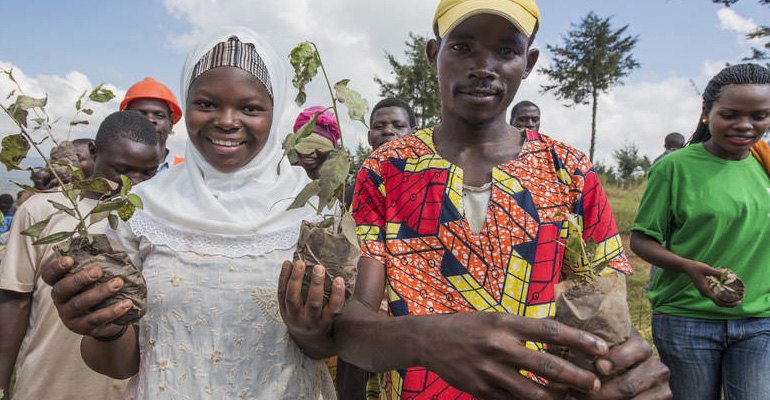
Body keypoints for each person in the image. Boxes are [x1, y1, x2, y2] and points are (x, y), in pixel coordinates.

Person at [281, 1, 671, 399]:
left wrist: (625, 370)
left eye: (506, 51)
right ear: (434, 55)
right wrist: (424, 338)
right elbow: (354, 324)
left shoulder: (567, 170)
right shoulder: (387, 170)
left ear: (529, 61)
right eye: (463, 47)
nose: (483, 66)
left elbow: (602, 312)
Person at [41, 28, 337, 399]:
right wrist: (104, 326)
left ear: (274, 114)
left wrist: (313, 331)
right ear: (187, 105)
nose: (227, 121)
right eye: (207, 104)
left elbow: (328, 344)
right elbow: (120, 364)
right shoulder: (142, 207)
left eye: (250, 108)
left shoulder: (311, 208)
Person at [631, 63, 770, 400]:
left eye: (760, 116)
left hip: (759, 319)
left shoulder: (766, 164)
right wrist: (688, 267)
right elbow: (641, 239)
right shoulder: (674, 167)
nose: (745, 126)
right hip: (686, 318)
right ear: (707, 113)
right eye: (731, 114)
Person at [0, 110, 162, 400]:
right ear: (93, 152)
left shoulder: (159, 223)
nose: (134, 185)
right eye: (123, 170)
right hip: (47, 385)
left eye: (148, 173)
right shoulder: (42, 210)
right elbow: (15, 301)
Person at [120, 76, 183, 171]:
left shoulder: (187, 172)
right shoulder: (108, 170)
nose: (149, 120)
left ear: (170, 125)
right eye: (140, 115)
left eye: (159, 115)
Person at [293, 105, 341, 179]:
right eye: (305, 145)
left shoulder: (339, 186)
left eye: (319, 146)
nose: (310, 151)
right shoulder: (280, 180)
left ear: (330, 149)